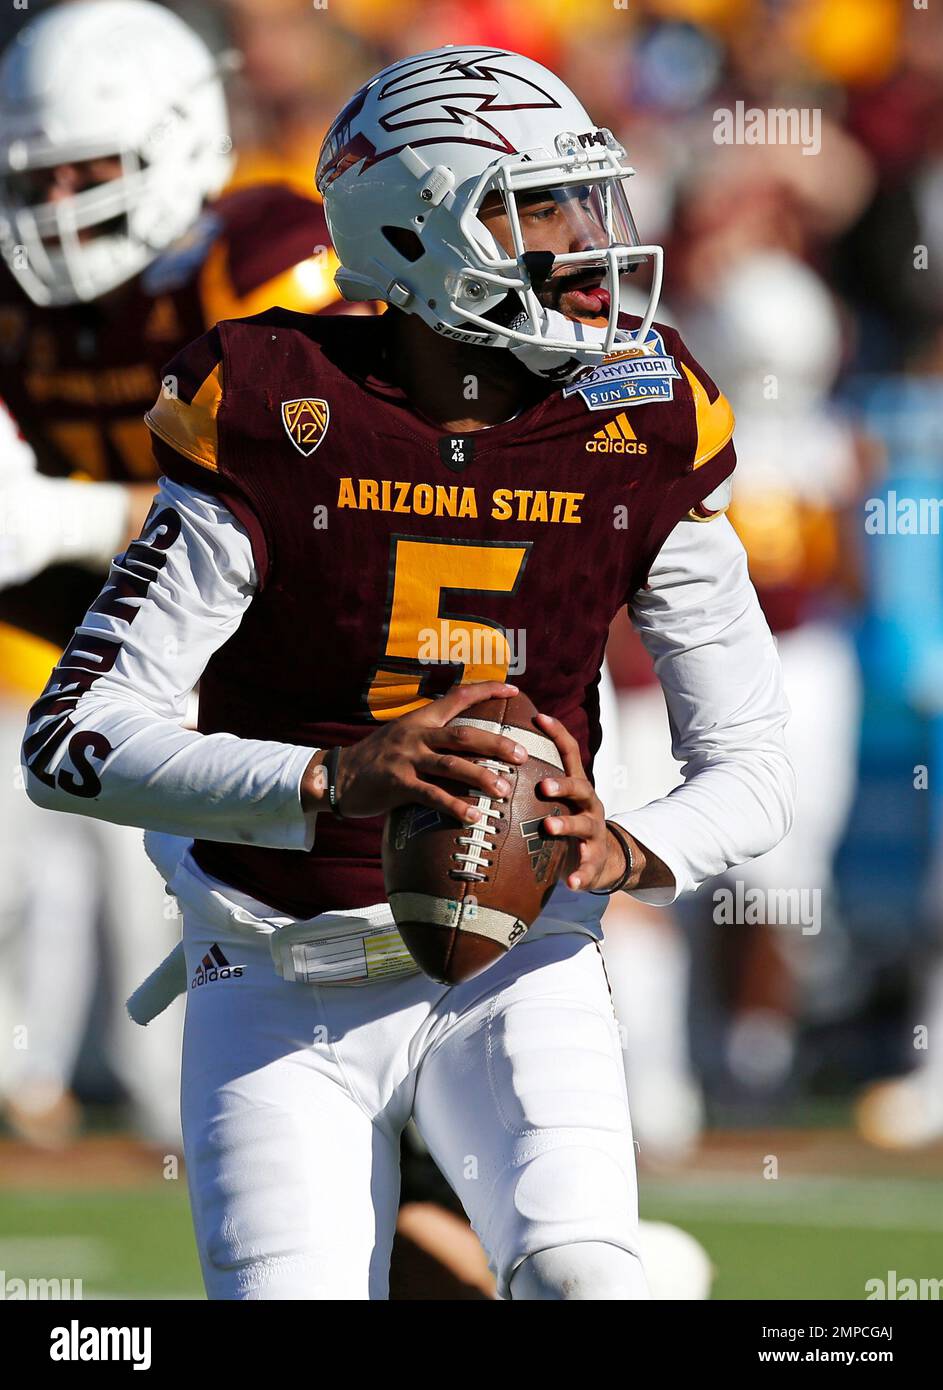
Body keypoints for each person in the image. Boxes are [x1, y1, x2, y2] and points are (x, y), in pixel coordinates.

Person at [23, 45, 794, 1300]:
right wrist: (332, 777)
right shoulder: (280, 402)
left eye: (585, 200)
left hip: (521, 956)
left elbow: (753, 769)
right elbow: (73, 739)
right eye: (534, 206)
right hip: (274, 966)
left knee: (583, 1281)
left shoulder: (642, 412)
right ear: (413, 229)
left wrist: (629, 850)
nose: (582, 241)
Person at [0, 0, 353, 1147]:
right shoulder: (23, 311)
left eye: (87, 172)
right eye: (36, 179)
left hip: (288, 696)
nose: (58, 208)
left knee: (286, 1063)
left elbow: (325, 512)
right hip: (116, 684)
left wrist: (78, 515)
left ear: (179, 137)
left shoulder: (268, 264)